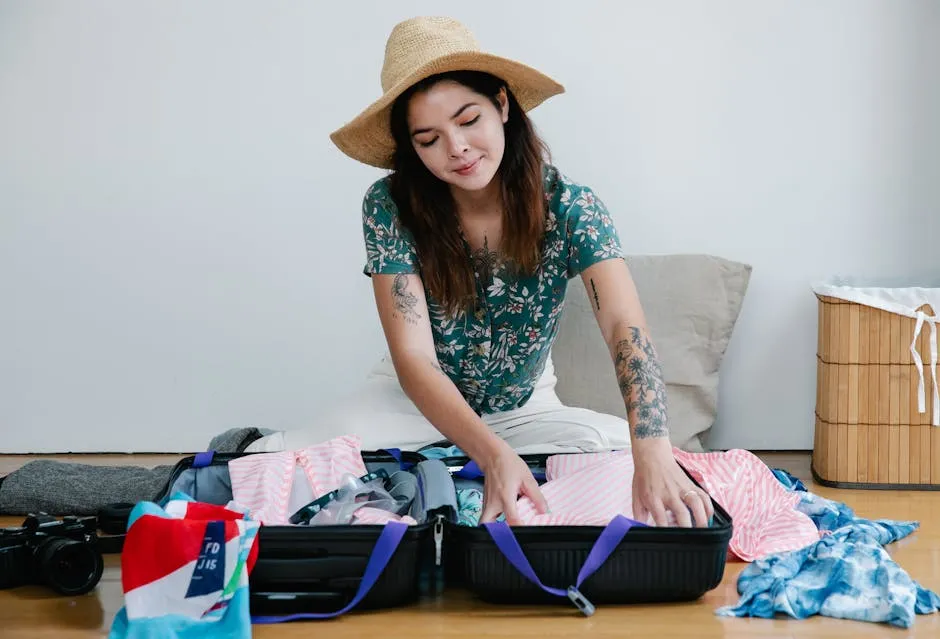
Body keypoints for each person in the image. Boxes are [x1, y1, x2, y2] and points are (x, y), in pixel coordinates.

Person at [248, 16, 713, 529]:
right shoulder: (388, 205)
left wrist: (651, 450)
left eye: (468, 120)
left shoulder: (572, 206)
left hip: (527, 407)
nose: (457, 148)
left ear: (502, 104)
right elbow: (415, 358)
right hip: (411, 402)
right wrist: (492, 456)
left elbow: (623, 325)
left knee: (637, 457)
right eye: (429, 139)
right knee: (270, 469)